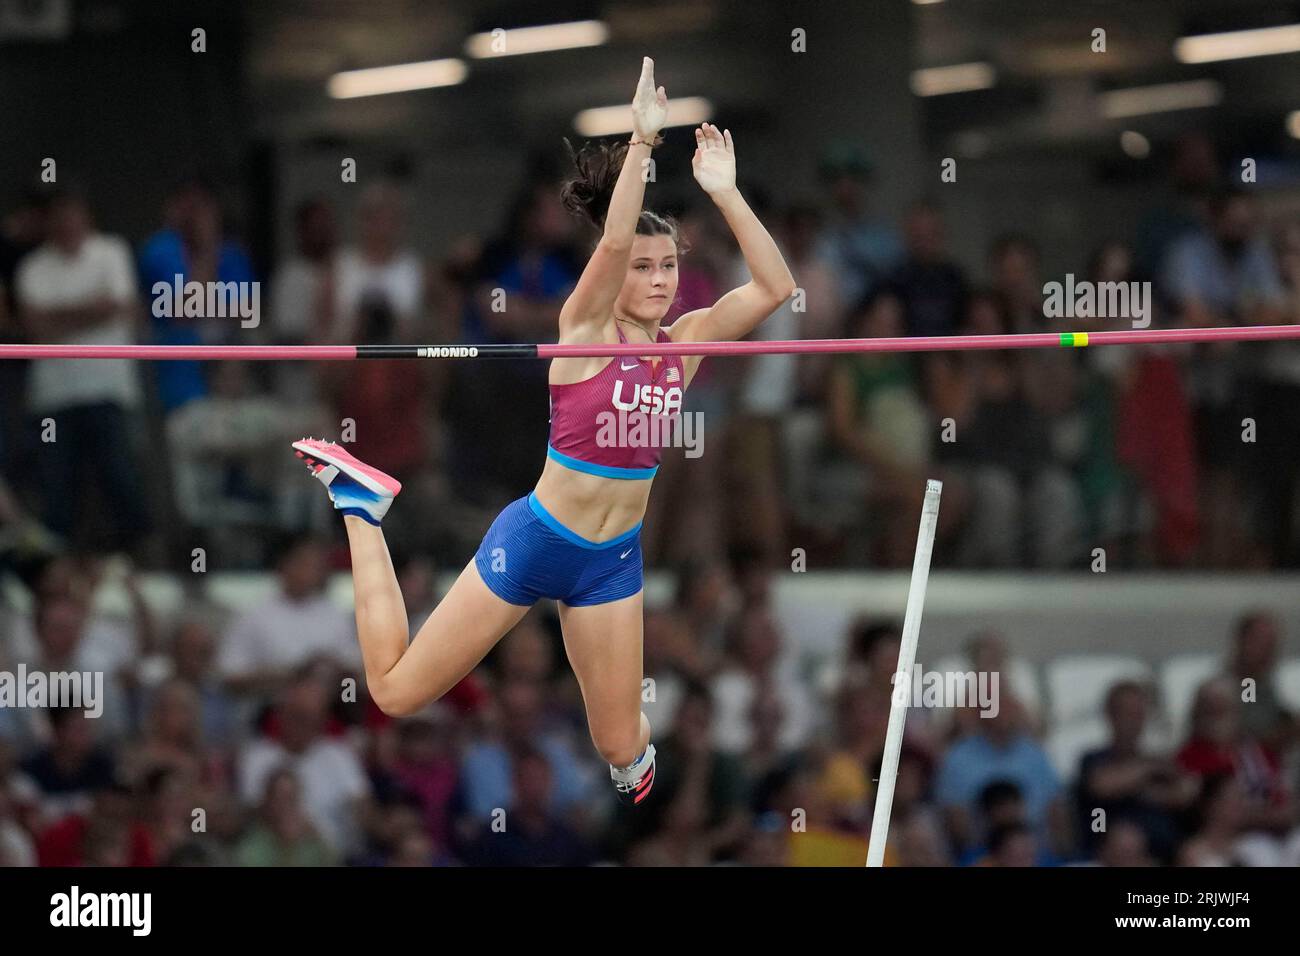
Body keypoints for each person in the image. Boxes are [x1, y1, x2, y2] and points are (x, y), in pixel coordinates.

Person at [291, 58, 795, 807]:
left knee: (621, 746)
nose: (660, 280)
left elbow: (776, 287)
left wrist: (724, 193)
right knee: (396, 692)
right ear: (614, 275)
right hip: (535, 540)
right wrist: (642, 146)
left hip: (611, 563)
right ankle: (363, 509)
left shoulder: (682, 347)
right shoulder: (582, 330)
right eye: (645, 268)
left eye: (670, 268)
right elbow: (616, 241)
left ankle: (625, 752)